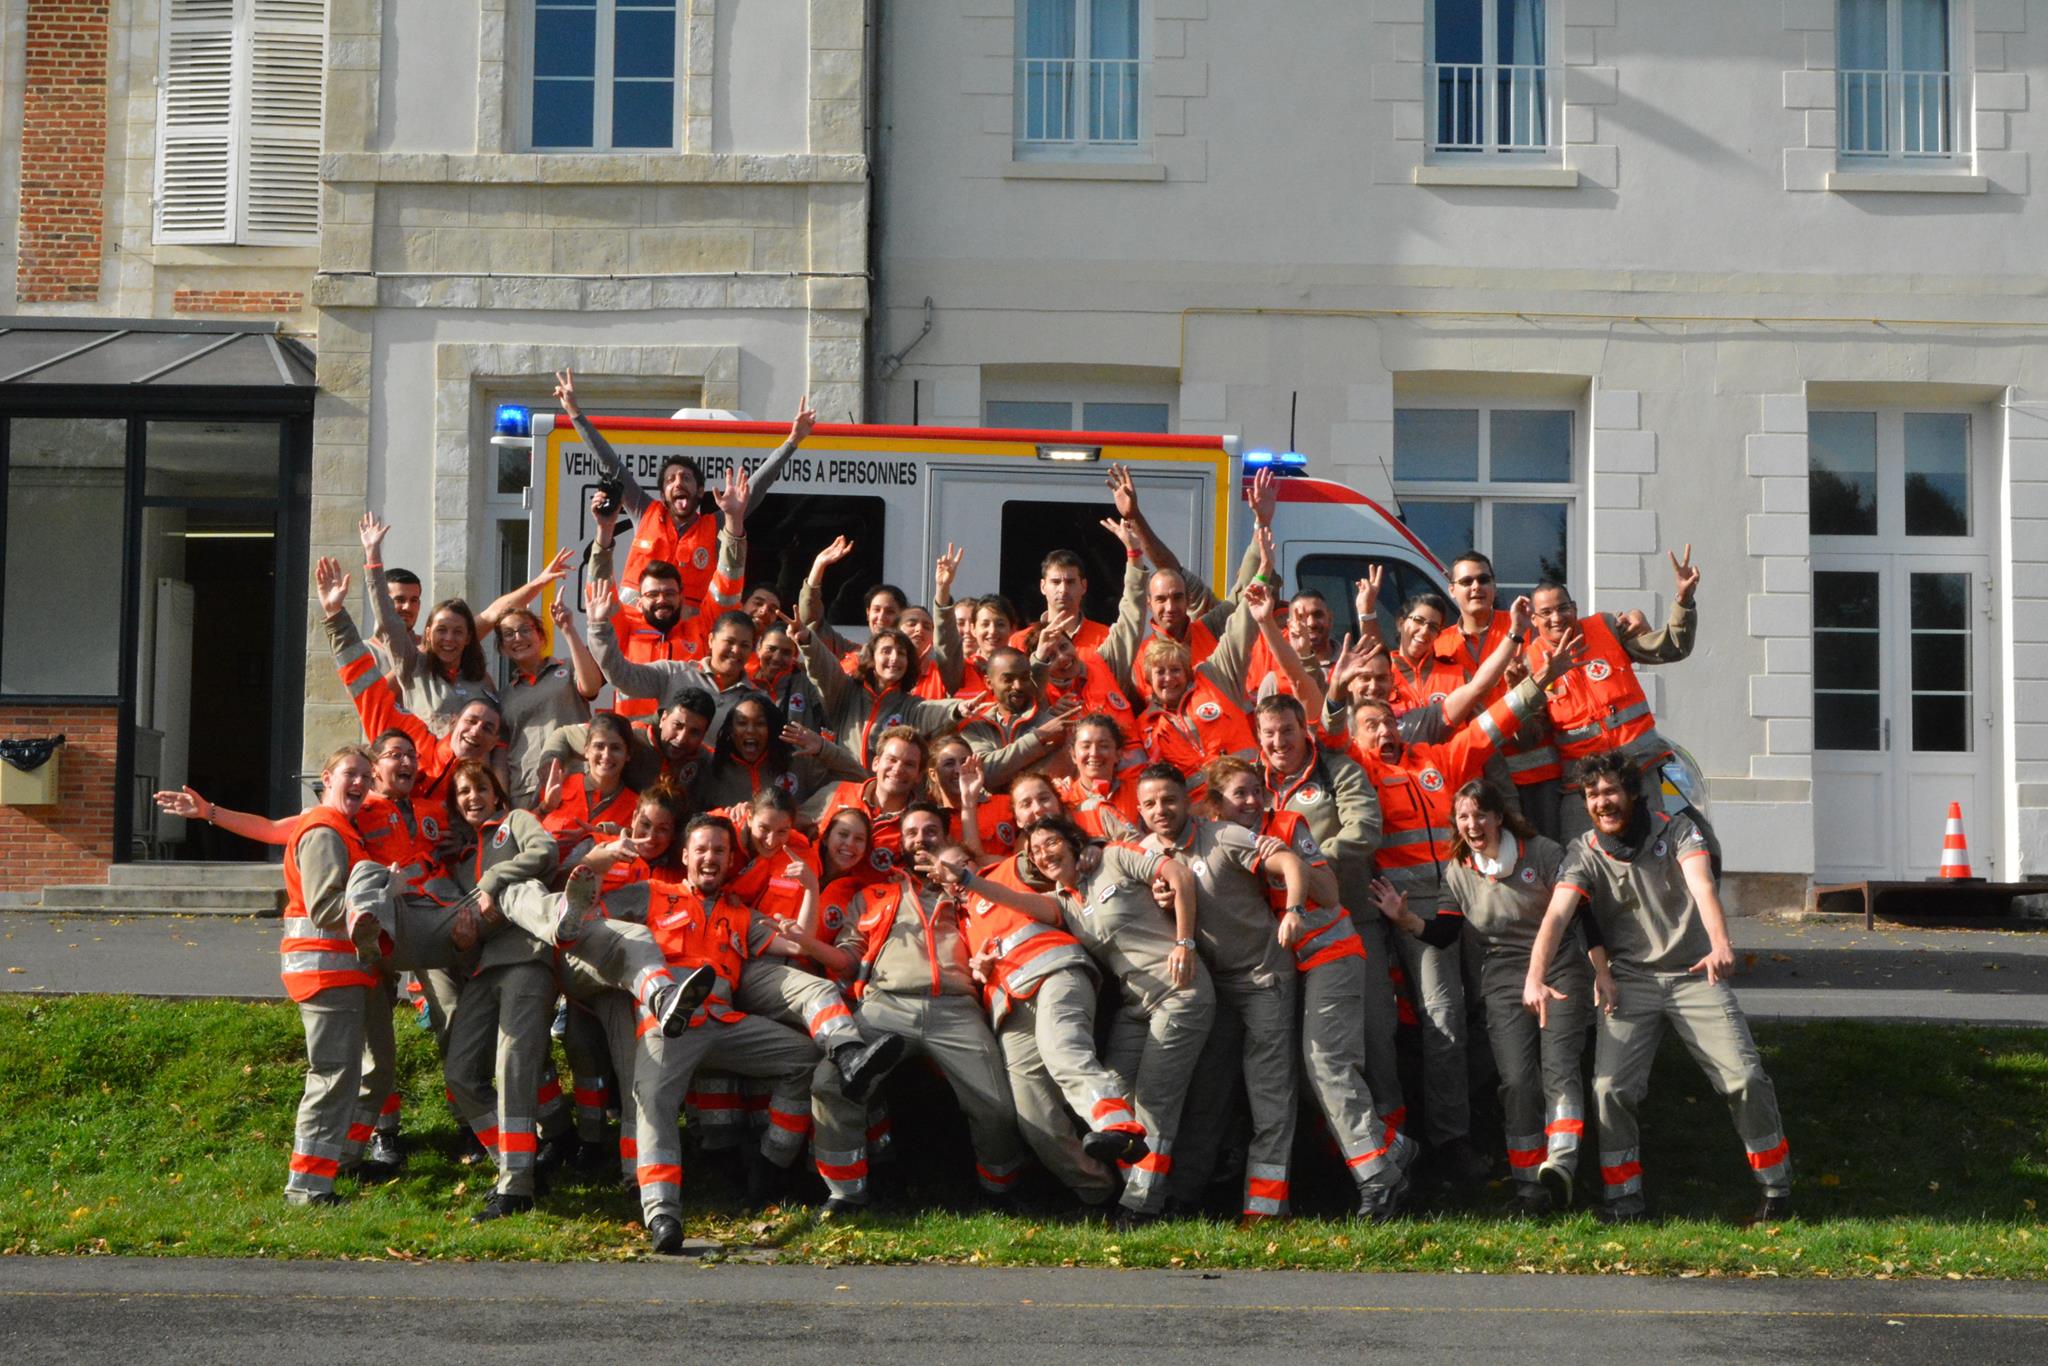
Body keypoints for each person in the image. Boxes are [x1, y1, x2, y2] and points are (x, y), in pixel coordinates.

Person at [1521, 752, 1791, 1225]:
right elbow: (1558, 915)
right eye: (1592, 795)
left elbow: (1703, 887)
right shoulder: (1583, 851)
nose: (1602, 802)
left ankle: (1776, 1187)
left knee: (1745, 1078)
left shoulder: (1678, 830)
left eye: (1610, 791)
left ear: (1632, 793)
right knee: (1609, 1089)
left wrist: (1721, 944)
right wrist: (1534, 977)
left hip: (1695, 973)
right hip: (1631, 983)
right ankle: (1624, 1199)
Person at [1207, 757, 1418, 1219]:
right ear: (1216, 804)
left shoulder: (1286, 824)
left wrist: (1289, 860)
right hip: (1286, 971)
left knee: (1327, 1064)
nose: (1250, 801)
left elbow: (1330, 892)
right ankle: (1390, 1146)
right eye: (1238, 794)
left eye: (1255, 790)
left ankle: (1378, 1178)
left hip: (1329, 951)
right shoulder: (1218, 841)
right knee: (1306, 1076)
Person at [616, 815, 839, 1252]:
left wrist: (811, 890)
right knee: (654, 1099)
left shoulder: (740, 913)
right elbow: (589, 912)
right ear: (684, 856)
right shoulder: (651, 893)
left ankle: (769, 1163)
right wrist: (602, 858)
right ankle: (662, 1214)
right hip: (667, 1025)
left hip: (725, 1022)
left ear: (731, 860)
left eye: (719, 851)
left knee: (806, 1058)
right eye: (701, 849)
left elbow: (798, 944)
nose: (710, 858)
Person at [1374, 779, 1595, 1215]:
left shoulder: (1543, 853)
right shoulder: (1459, 871)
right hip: (1503, 979)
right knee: (1516, 1082)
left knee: (1558, 1067)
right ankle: (1529, 1185)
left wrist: (1600, 970)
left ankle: (1562, 1163)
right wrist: (1405, 920)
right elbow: (1444, 931)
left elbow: (1583, 913)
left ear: (1498, 817)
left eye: (1480, 814)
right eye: (1463, 817)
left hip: (1559, 969)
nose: (1472, 824)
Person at [808, 803, 1029, 1213]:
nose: (920, 839)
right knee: (830, 1082)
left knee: (997, 1106)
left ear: (945, 838)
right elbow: (848, 956)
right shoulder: (874, 894)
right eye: (911, 832)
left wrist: (962, 882)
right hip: (885, 1005)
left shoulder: (969, 890)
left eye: (930, 831)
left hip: (956, 1009)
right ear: (900, 843)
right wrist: (810, 946)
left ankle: (1000, 1190)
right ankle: (846, 1193)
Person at [1133, 763, 1311, 1222]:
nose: (1161, 810)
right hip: (1211, 989)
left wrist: (1294, 910)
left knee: (1269, 1094)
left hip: (1263, 979)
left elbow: (1291, 862)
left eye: (1169, 800)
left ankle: (1265, 1209)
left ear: (1188, 801)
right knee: (1207, 1094)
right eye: (1150, 803)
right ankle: (1183, 1196)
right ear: (1140, 810)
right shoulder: (1144, 852)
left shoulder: (1223, 836)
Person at [938, 826, 1150, 1208]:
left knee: (1063, 1051)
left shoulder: (1007, 870)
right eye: (943, 874)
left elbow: (1056, 849)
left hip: (1054, 972)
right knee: (1032, 1114)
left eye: (957, 866)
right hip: (1010, 1007)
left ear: (973, 863)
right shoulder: (958, 920)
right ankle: (1099, 1194)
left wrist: (1093, 845)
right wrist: (981, 968)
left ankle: (1118, 1127)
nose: (951, 876)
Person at [1014, 819, 1209, 1225]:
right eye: (1036, 851)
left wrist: (1184, 941)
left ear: (1073, 842)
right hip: (1136, 1005)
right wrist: (967, 881)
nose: (1045, 853)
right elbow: (1013, 899)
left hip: (1180, 992)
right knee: (1117, 1096)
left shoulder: (1113, 857)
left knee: (1155, 1103)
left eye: (1052, 842)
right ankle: (1143, 1191)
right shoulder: (1063, 901)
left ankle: (1141, 1207)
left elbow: (1178, 873)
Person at [553, 367, 815, 610]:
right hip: (637, 631)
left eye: (686, 478)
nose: (678, 483)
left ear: (700, 491)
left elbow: (756, 488)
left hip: (688, 636)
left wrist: (792, 442)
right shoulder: (644, 511)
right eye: (670, 480)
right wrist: (575, 414)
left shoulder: (715, 525)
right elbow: (610, 463)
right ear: (662, 495)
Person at [435, 760, 565, 1222]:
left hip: (527, 959)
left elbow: (546, 851)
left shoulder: (516, 822)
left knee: (512, 1066)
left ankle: (517, 1186)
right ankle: (523, 1158)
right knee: (460, 1073)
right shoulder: (454, 856)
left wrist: (493, 878)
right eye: (463, 792)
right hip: (482, 969)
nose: (473, 797)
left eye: (481, 788)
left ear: (496, 794)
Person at [1523, 547, 1701, 839]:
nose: (1556, 617)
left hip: (1641, 768)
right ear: (1533, 619)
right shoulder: (1530, 664)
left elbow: (1671, 648)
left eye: (1563, 608)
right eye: (1546, 612)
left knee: (1659, 845)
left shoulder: (1606, 628)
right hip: (1583, 785)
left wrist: (1683, 600)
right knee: (1578, 856)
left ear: (1574, 608)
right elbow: (1530, 733)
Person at [278, 744, 379, 1205]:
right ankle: (307, 1187)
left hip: (334, 973)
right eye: (350, 773)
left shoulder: (340, 827)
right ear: (327, 777)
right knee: (332, 1076)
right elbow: (325, 907)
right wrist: (380, 898)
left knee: (338, 1075)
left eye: (366, 777)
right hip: (324, 972)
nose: (359, 783)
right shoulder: (324, 828)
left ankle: (321, 1174)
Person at [588, 470, 750, 719]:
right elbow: (600, 588)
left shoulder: (701, 628)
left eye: (669, 593)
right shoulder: (627, 628)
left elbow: (728, 584)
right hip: (635, 737)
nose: (662, 599)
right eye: (653, 594)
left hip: (685, 739)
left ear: (682, 597)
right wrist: (605, 529)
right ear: (639, 601)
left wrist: (734, 522)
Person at [1424, 551, 1564, 837]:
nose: (1476, 587)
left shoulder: (1525, 629)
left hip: (1534, 773)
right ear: (1452, 590)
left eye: (1483, 579)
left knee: (1545, 854)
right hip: (1475, 779)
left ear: (1494, 586)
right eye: (1466, 582)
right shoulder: (1439, 644)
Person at [356, 514, 503, 734]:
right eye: (441, 630)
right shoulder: (413, 665)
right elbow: (389, 622)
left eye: (458, 632)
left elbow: (498, 729)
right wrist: (372, 555)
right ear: (428, 633)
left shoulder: (479, 677)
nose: (449, 639)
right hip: (420, 755)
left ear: (468, 637)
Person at [588, 578, 760, 736]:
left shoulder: (757, 699)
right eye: (729, 642)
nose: (736, 650)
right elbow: (621, 675)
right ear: (711, 640)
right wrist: (599, 627)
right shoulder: (673, 673)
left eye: (744, 645)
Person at [793, 611, 961, 770]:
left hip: (887, 786)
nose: (894, 658)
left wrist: (959, 708)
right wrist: (808, 639)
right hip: (844, 784)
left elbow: (934, 710)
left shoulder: (911, 706)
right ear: (872, 658)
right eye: (886, 651)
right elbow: (825, 667)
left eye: (901, 653)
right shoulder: (847, 691)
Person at [493, 593, 604, 807]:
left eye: (525, 630)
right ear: (502, 647)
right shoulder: (503, 697)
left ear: (541, 636)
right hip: (525, 790)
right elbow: (500, 754)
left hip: (576, 778)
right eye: (508, 634)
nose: (518, 638)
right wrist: (502, 800)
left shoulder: (569, 667)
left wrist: (568, 629)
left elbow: (591, 687)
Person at [692, 690, 863, 808]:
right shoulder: (713, 768)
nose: (750, 730)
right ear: (730, 729)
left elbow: (859, 781)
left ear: (772, 728)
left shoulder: (798, 760)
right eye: (742, 723)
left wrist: (823, 748)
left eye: (760, 723)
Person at [800, 725, 931, 872]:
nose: (898, 769)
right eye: (892, 759)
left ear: (919, 776)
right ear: (876, 763)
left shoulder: (920, 825)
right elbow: (789, 830)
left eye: (909, 764)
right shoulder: (837, 791)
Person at [542, 687, 716, 794]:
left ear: (704, 734)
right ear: (663, 718)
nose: (682, 738)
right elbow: (565, 735)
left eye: (694, 732)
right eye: (677, 725)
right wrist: (550, 763)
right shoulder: (629, 737)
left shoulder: (704, 760)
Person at [958, 646, 1082, 786]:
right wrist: (1037, 737)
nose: (1018, 686)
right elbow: (985, 774)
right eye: (1008, 679)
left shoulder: (1054, 726)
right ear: (988, 683)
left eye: (1024, 678)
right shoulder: (975, 728)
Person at [535, 712, 638, 865]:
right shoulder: (558, 785)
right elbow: (521, 829)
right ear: (586, 750)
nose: (606, 755)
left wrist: (593, 838)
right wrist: (545, 807)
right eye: (599, 746)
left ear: (628, 754)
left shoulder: (636, 807)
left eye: (615, 748)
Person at [1054, 713, 1142, 838]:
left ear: (1118, 754)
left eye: (1104, 746)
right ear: (1073, 755)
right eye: (1086, 746)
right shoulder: (1062, 800)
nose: (1094, 753)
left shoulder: (1138, 792)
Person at [1009, 549, 1109, 653]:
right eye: (1056, 582)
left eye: (1070, 582)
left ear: (1084, 586)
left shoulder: (1107, 638)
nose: (1063, 590)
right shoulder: (1020, 641)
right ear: (1042, 586)